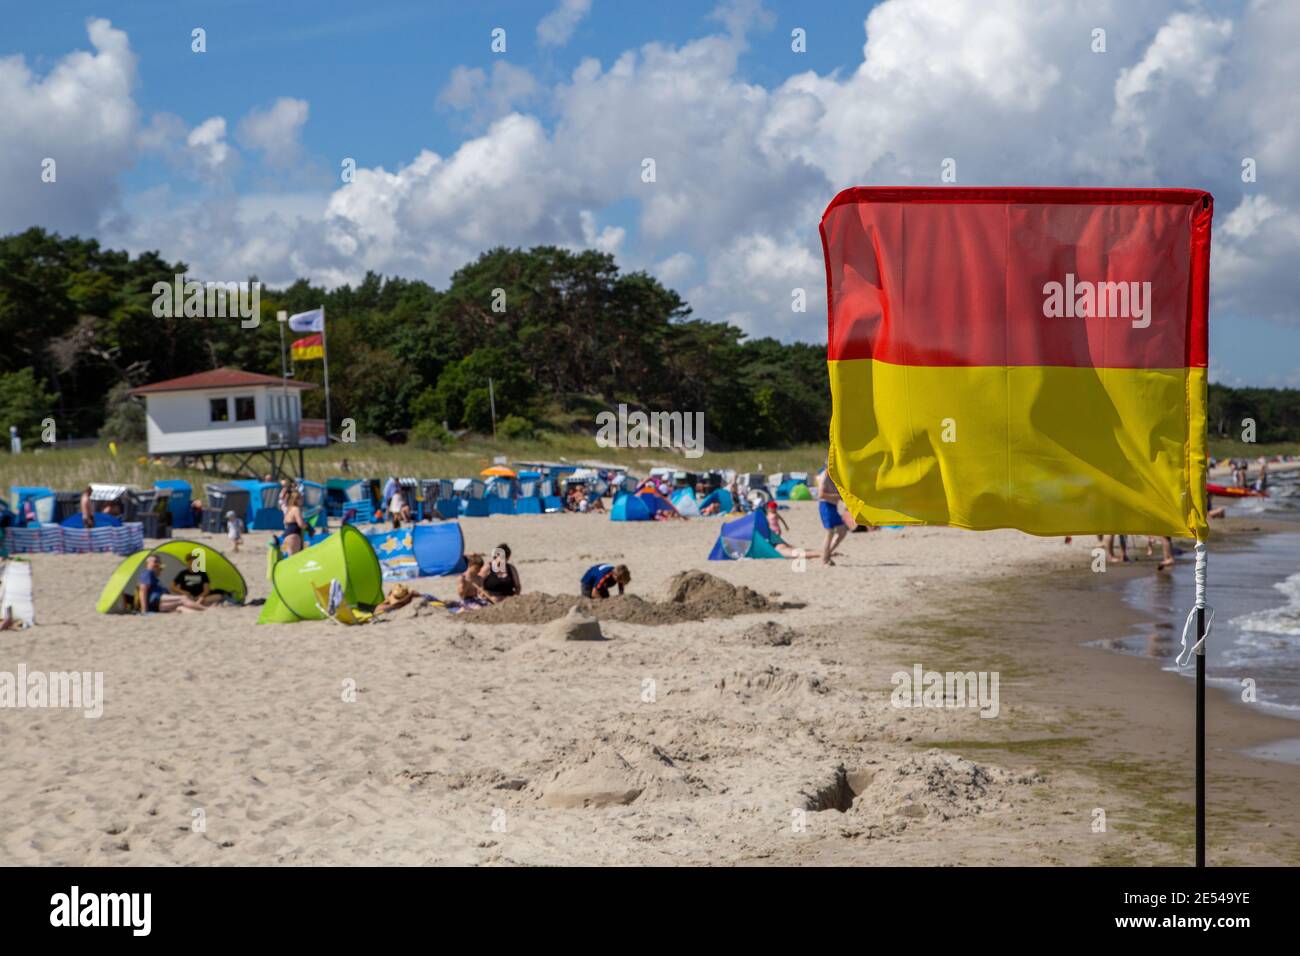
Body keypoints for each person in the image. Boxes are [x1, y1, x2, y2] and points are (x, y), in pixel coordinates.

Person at [135, 554, 206, 613]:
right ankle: (206, 609)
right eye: (155, 561)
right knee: (183, 598)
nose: (157, 564)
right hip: (155, 600)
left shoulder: (153, 576)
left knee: (180, 608)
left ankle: (199, 613)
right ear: (148, 563)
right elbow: (143, 590)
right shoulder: (147, 572)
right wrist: (144, 609)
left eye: (159, 562)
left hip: (157, 605)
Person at [816, 462, 848, 566]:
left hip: (833, 507)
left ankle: (826, 554)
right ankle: (825, 560)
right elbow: (821, 494)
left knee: (842, 531)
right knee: (830, 533)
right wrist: (838, 496)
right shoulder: (824, 476)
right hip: (826, 506)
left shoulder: (834, 477)